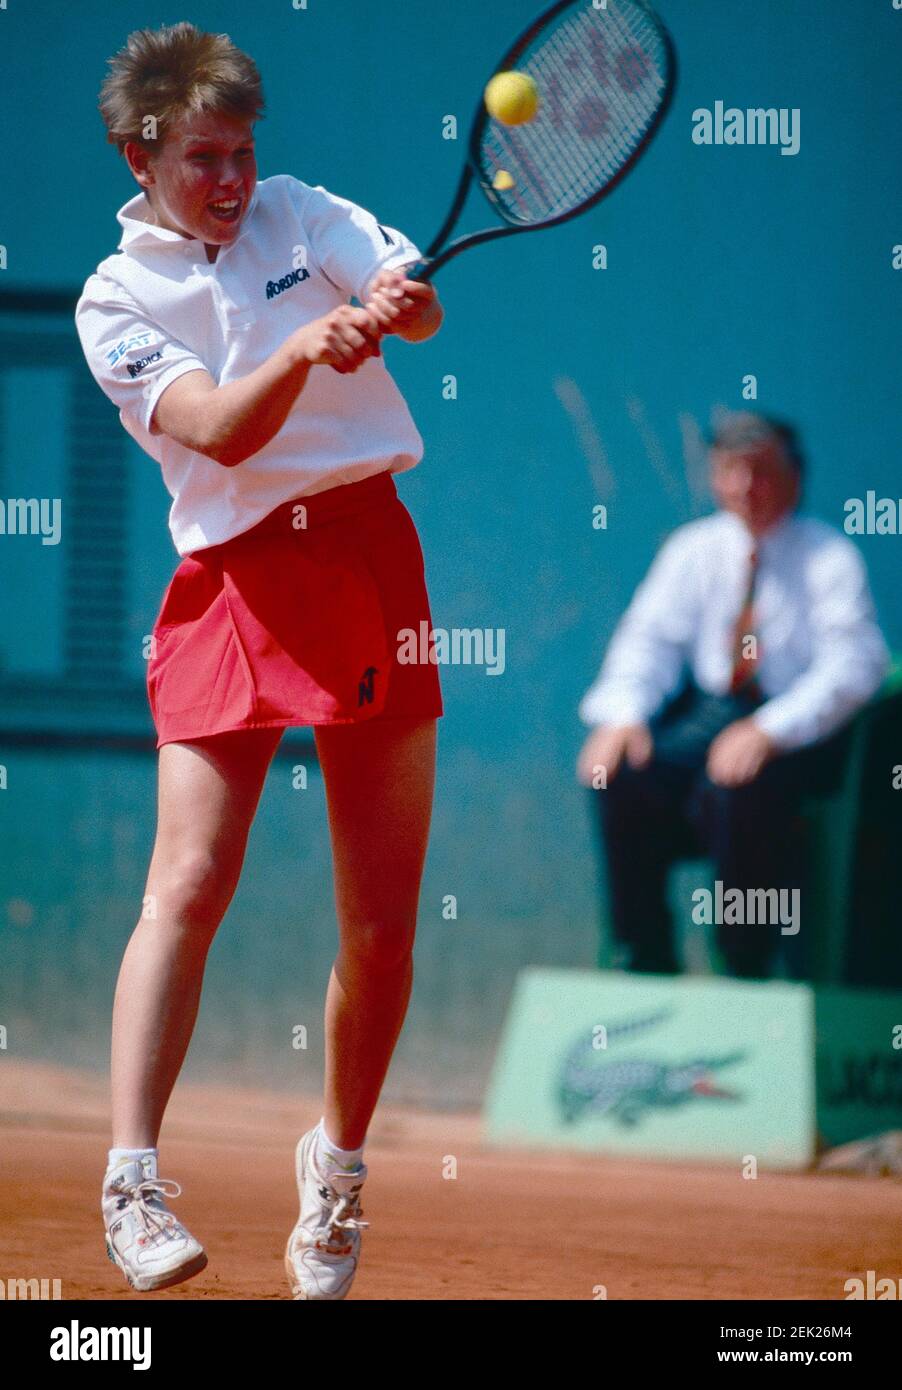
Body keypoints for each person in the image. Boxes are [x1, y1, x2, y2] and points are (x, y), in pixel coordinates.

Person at [75, 22, 444, 1300]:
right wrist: (304, 347)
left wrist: (395, 301)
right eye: (204, 160)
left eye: (243, 154)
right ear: (142, 155)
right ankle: (132, 1181)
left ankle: (334, 1173)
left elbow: (416, 298)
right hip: (231, 583)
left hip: (367, 566)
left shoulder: (303, 213)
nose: (234, 181)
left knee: (382, 924)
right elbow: (220, 435)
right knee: (187, 880)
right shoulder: (114, 301)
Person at [576, 412, 889, 980]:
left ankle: (744, 967)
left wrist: (771, 730)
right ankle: (644, 960)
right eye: (732, 472)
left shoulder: (829, 556)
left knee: (740, 790)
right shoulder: (692, 551)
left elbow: (855, 663)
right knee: (618, 775)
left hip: (794, 738)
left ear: (795, 478)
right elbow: (648, 642)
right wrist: (621, 716)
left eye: (762, 473)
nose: (747, 489)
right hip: (707, 721)